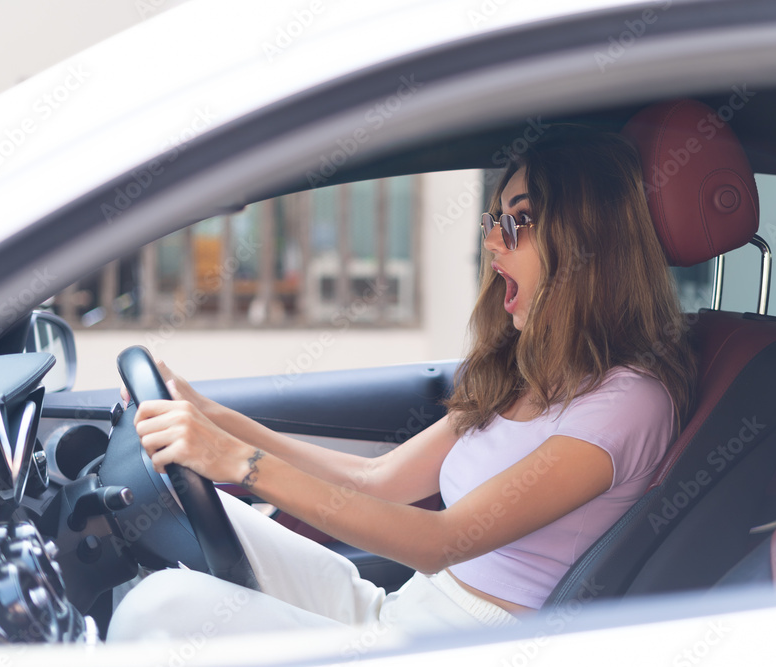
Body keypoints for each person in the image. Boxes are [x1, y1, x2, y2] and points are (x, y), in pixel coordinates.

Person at [108, 127, 696, 641]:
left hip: (465, 646)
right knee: (167, 515)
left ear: (589, 244)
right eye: (496, 220)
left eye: (520, 222)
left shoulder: (629, 403)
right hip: (402, 612)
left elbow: (441, 540)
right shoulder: (528, 368)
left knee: (159, 611)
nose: (492, 241)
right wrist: (212, 416)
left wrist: (239, 461)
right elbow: (377, 480)